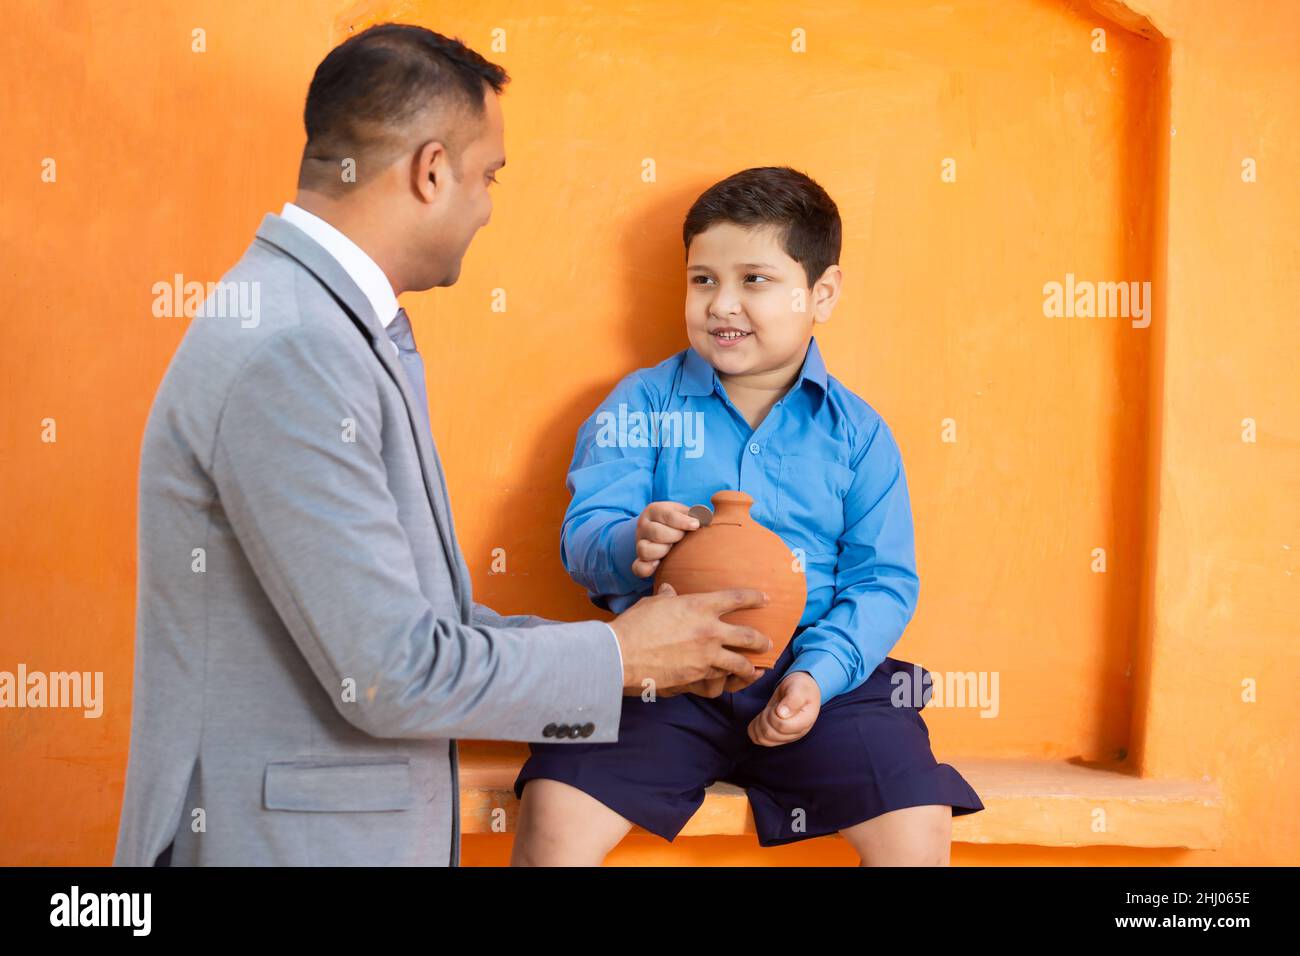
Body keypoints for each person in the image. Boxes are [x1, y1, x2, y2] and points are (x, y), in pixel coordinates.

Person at [113, 23, 771, 867]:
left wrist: (652, 653)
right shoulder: (297, 350)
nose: (490, 204)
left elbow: (423, 628)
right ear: (431, 171)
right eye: (488, 175)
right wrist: (620, 654)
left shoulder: (331, 325)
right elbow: (395, 673)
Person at [512, 167, 985, 866]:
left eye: (754, 280)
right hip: (661, 674)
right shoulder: (640, 405)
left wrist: (819, 675)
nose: (721, 303)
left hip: (820, 679)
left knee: (916, 818)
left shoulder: (858, 434)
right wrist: (629, 542)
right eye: (702, 279)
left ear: (821, 293)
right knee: (555, 809)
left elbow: (882, 581)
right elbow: (584, 536)